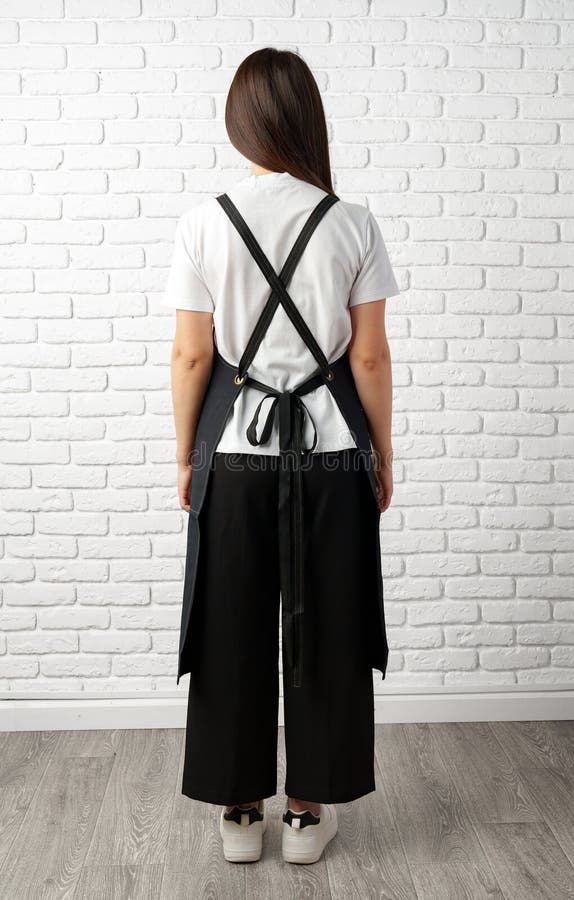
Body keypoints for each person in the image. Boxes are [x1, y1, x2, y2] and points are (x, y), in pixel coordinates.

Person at [163, 47, 400, 865]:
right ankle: (305, 814)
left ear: (240, 123)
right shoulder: (353, 221)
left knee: (229, 620)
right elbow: (367, 358)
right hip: (332, 457)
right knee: (327, 622)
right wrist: (384, 452)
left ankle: (239, 815)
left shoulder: (204, 221)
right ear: (308, 118)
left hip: (235, 454)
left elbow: (194, 356)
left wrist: (188, 456)